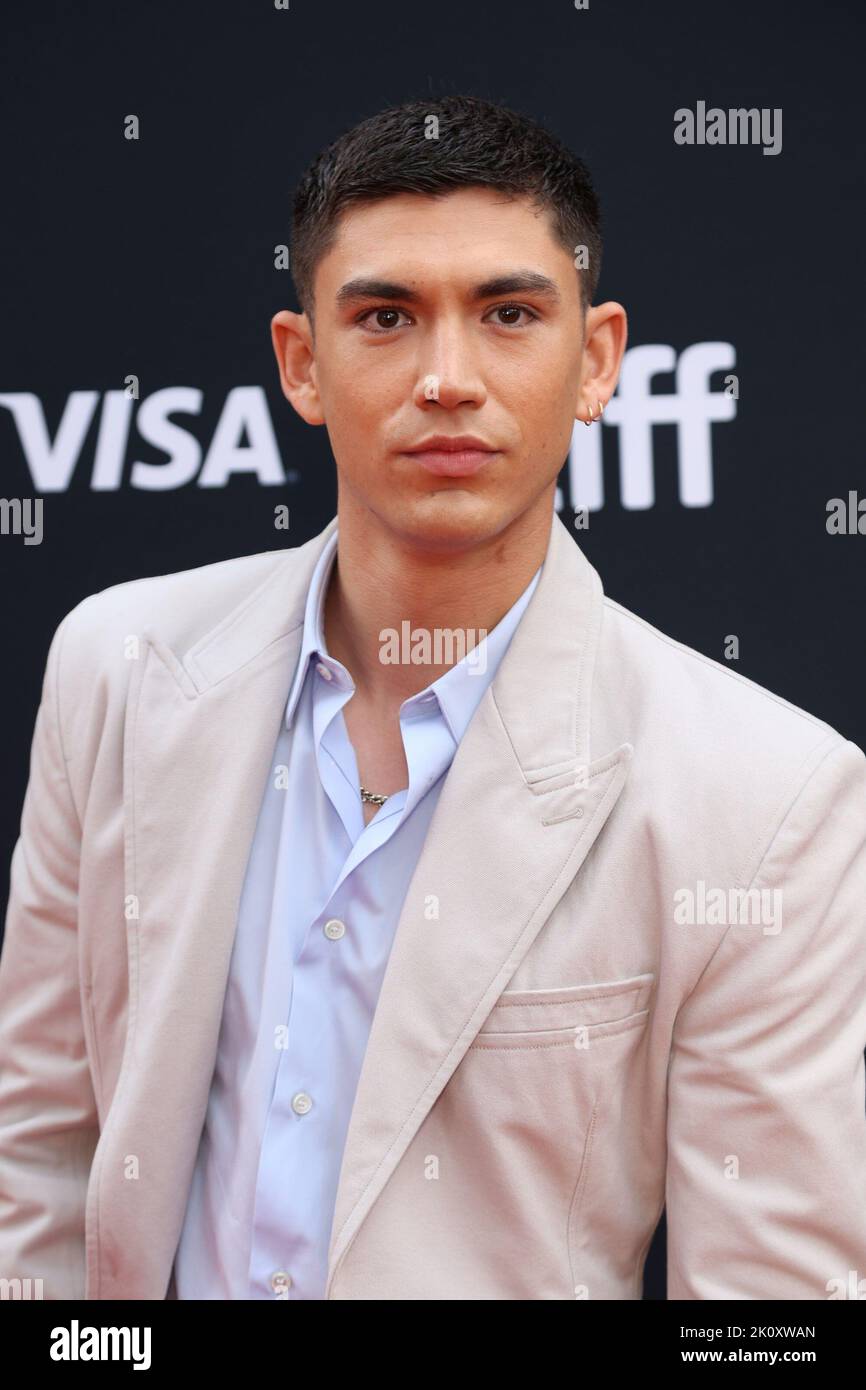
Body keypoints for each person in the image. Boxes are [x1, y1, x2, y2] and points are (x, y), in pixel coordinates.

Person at [1, 94, 865, 1302]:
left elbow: (769, 1313)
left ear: (596, 359)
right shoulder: (119, 666)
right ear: (302, 365)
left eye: (508, 313)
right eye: (386, 317)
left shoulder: (765, 795)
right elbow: (38, 1156)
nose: (447, 379)